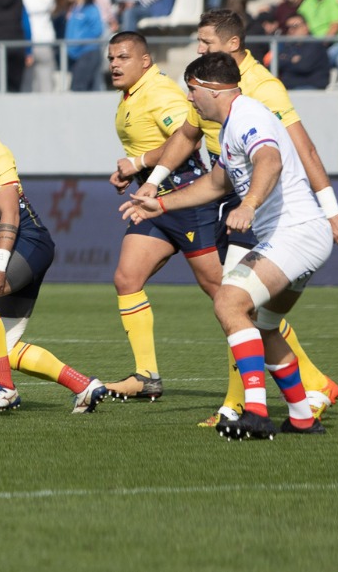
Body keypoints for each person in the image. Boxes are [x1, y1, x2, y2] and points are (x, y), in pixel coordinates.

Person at [135, 10, 338, 424]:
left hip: (294, 233)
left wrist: (249, 205)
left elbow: (270, 158)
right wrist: (159, 201)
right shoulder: (230, 119)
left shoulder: (251, 108)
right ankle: (303, 414)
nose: (188, 100)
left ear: (213, 89)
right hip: (293, 235)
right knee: (263, 324)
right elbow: (215, 184)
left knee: (230, 302)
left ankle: (250, 409)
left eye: (191, 91)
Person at [0, 85, 109, 413]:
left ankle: (4, 388)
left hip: (27, 243)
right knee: (4, 347)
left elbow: (11, 214)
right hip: (12, 248)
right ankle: (84, 386)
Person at [97, 32, 222, 402]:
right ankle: (146, 375)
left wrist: (138, 164)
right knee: (127, 278)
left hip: (186, 201)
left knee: (226, 294)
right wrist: (132, 175)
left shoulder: (160, 92)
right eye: (111, 58)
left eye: (123, 57)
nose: (115, 65)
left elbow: (187, 140)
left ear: (145, 61)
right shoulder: (132, 94)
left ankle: (301, 372)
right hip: (154, 202)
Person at [65, 0, 106, 91]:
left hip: (88, 52)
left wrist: (79, 43)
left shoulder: (91, 8)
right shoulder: (74, 9)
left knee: (79, 87)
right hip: (76, 55)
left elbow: (97, 30)